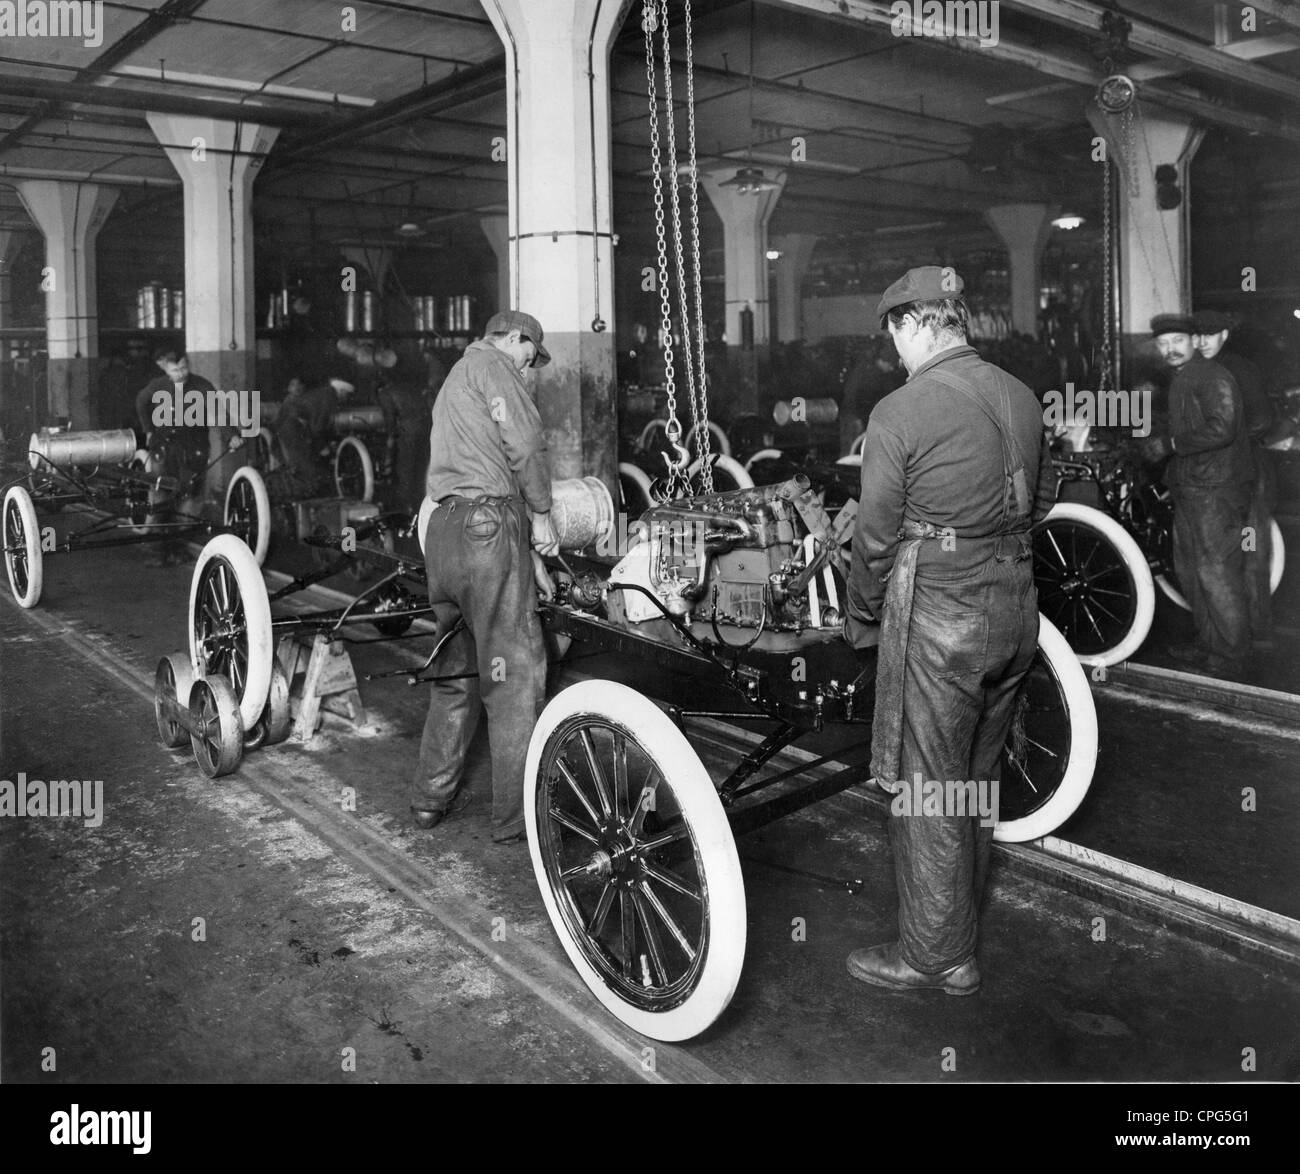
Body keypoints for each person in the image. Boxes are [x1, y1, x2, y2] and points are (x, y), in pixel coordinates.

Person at [843, 266, 1054, 995]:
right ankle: (958, 932)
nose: (894, 353)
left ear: (912, 324)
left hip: (942, 621)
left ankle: (936, 955)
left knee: (929, 786)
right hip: (1016, 613)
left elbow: (873, 540)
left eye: (893, 336)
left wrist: (862, 616)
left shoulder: (900, 412)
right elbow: (1041, 501)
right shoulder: (1022, 397)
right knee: (975, 779)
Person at [411, 310, 559, 843]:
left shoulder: (455, 377)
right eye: (530, 355)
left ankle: (430, 798)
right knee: (514, 678)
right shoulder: (496, 367)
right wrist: (541, 516)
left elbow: (473, 469)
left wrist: (525, 557)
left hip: (445, 535)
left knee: (455, 676)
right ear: (515, 339)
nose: (529, 367)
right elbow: (525, 443)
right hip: (486, 531)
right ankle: (516, 819)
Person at [1140, 314, 1253, 677]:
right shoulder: (1185, 377)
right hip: (1193, 489)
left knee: (1216, 572)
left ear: (1194, 342)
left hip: (1214, 491)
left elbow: (1223, 426)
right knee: (1192, 572)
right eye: (1163, 343)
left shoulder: (1210, 375)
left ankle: (1232, 657)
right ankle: (1209, 646)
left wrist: (1171, 444)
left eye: (1178, 341)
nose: (1171, 349)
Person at [1193, 309, 1277, 649]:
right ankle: (1246, 635)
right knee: (1233, 554)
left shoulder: (1239, 369)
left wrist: (1221, 439)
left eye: (1210, 335)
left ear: (1224, 334)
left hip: (1251, 472)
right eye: (1197, 336)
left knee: (1249, 551)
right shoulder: (1203, 370)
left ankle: (1258, 637)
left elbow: (1261, 421)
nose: (1202, 341)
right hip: (1233, 472)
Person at [134, 351, 220, 566]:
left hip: (193, 450)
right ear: (164, 367)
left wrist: (232, 436)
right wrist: (148, 429)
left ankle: (179, 548)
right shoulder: (157, 385)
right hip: (164, 449)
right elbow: (141, 402)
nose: (181, 374)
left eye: (184, 368)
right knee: (161, 497)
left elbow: (219, 413)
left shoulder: (202, 386)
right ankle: (157, 551)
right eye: (175, 370)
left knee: (189, 500)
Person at [274, 373, 355, 497]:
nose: (346, 399)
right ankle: (298, 497)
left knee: (303, 467)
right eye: (346, 395)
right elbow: (317, 428)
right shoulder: (329, 398)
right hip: (294, 429)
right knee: (307, 471)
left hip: (292, 428)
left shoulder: (324, 394)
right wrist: (324, 448)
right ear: (342, 391)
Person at [377, 362, 431, 512]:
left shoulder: (386, 393)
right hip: (425, 430)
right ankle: (419, 506)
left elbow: (390, 420)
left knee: (404, 471)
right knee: (420, 471)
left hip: (407, 433)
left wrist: (389, 441)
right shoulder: (413, 389)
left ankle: (405, 508)